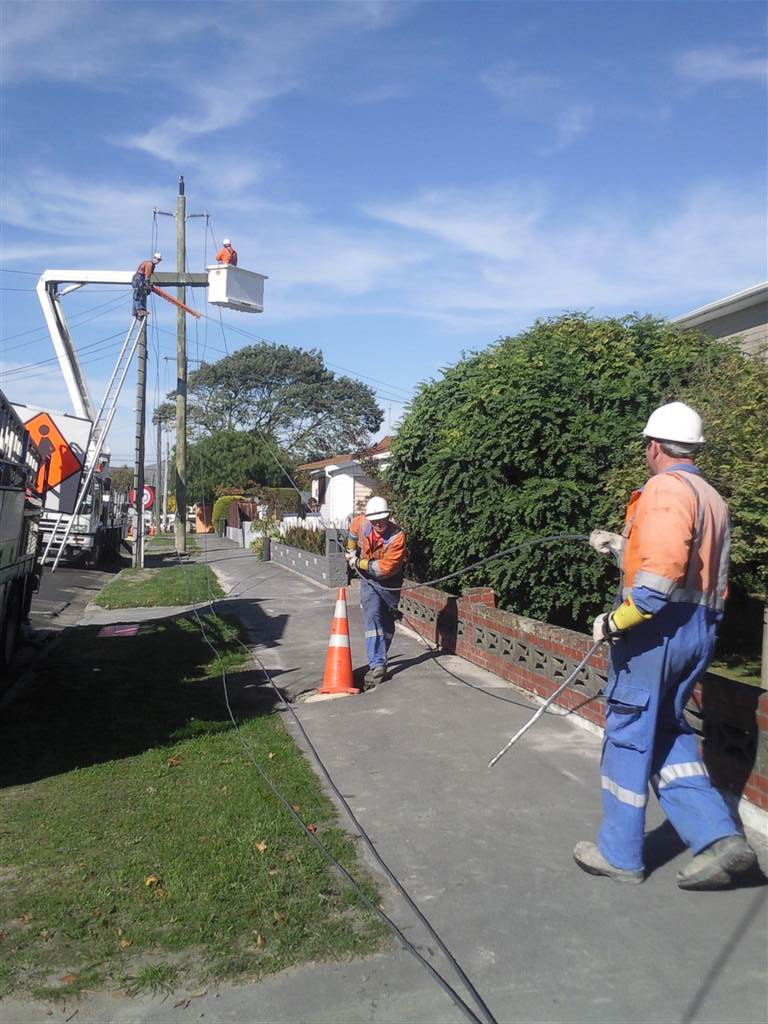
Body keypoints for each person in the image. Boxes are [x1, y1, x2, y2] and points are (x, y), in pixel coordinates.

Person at [575, 401, 756, 890]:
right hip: (698, 630)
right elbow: (682, 564)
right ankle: (720, 840)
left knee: (628, 734)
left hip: (657, 633)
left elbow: (656, 584)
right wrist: (620, 547)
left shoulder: (663, 489)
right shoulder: (709, 495)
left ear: (654, 446)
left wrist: (616, 620)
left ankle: (620, 854)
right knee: (666, 731)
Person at [345, 496, 406, 687]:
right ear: (369, 519)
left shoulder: (397, 537)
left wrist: (357, 562)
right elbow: (353, 532)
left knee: (387, 621)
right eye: (375, 520)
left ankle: (381, 657)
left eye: (382, 519)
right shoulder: (362, 523)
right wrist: (351, 550)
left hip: (390, 581)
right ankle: (377, 663)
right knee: (372, 614)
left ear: (388, 517)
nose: (379, 524)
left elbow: (384, 568)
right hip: (369, 580)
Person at [132, 253, 161, 318]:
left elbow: (149, 275)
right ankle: (139, 310)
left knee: (141, 293)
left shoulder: (153, 265)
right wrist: (147, 284)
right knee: (138, 293)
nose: (158, 261)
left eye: (159, 260)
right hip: (138, 278)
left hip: (141, 278)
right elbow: (147, 276)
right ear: (154, 258)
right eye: (157, 259)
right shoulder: (149, 264)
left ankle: (136, 311)